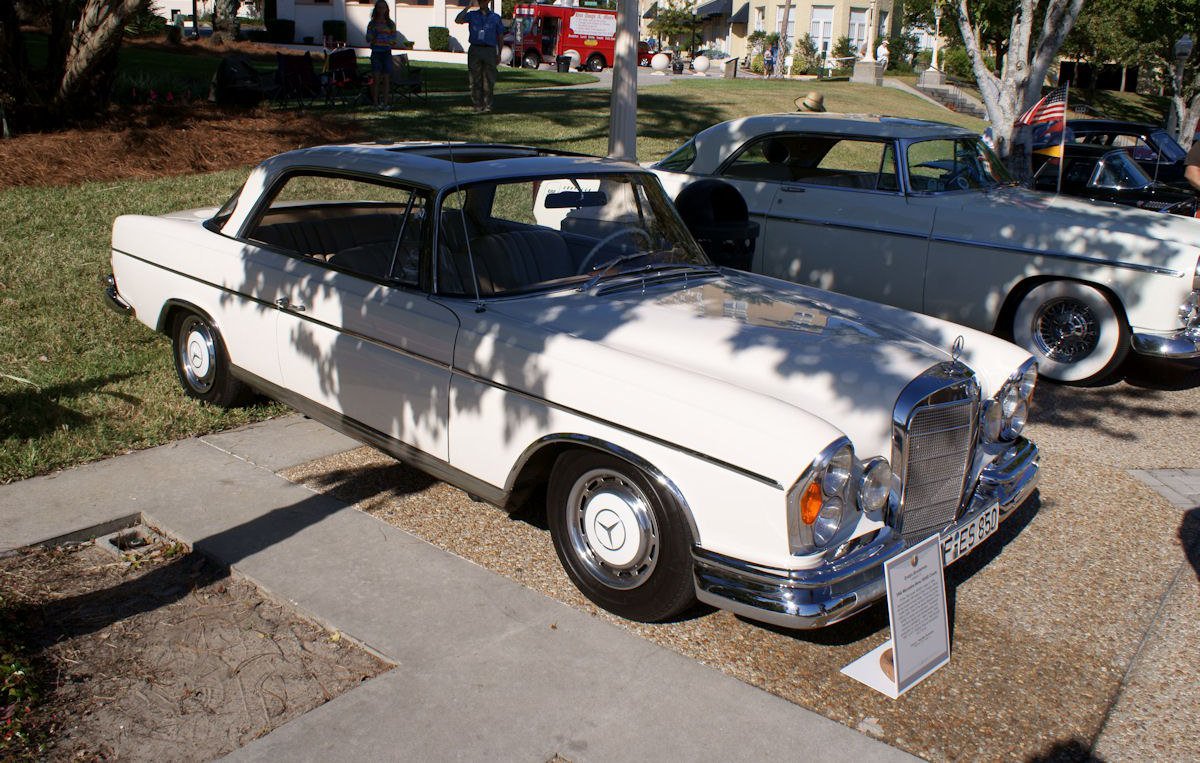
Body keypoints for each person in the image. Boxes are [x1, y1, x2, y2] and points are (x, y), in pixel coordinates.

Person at [455, 0, 505, 113]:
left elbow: (500, 36)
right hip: (475, 49)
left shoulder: (495, 17)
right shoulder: (472, 15)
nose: (481, 2)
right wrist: (467, 7)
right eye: (480, 0)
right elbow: (458, 20)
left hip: (490, 50)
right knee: (474, 80)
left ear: (487, 2)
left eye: (483, 0)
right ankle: (477, 105)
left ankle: (488, 106)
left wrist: (499, 54)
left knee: (489, 80)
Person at [366, 1, 398, 110]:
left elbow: (394, 39)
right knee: (376, 78)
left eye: (383, 7)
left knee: (386, 79)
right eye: (379, 7)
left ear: (386, 9)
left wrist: (388, 40)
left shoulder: (390, 24)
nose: (381, 10)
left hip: (386, 52)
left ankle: (385, 103)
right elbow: (368, 38)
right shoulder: (372, 24)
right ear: (376, 9)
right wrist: (374, 37)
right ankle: (375, 103)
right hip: (376, 52)